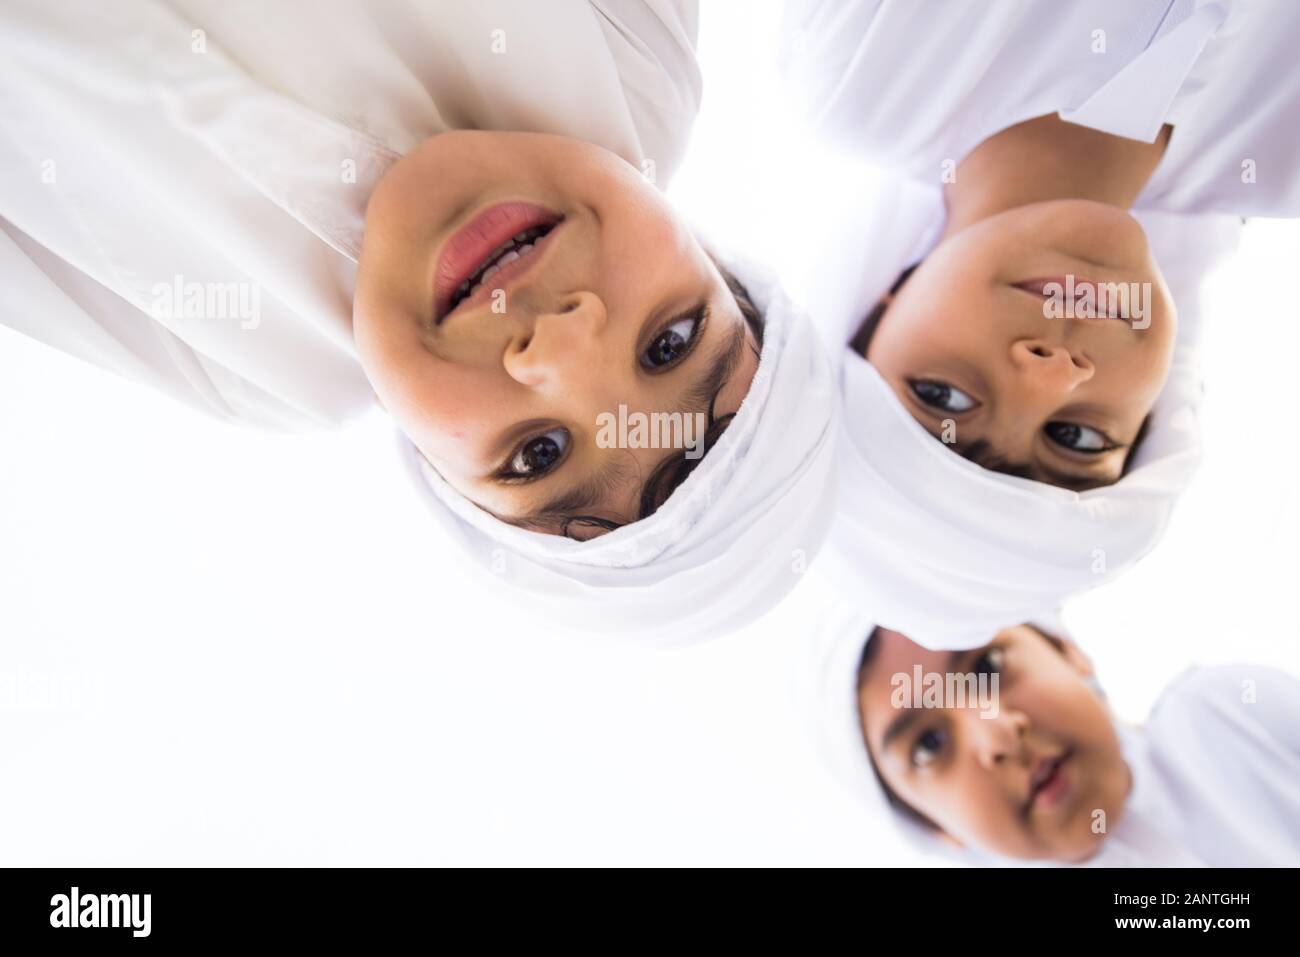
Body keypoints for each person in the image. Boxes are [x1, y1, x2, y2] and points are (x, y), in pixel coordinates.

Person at [0, 0, 837, 641]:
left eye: (536, 453)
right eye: (672, 342)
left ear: (441, 479)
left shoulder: (247, 364)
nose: (557, 344)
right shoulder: (635, 60)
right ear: (717, 261)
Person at [780, 0, 1298, 646]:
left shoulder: (863, 65)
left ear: (877, 306)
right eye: (1079, 439)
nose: (1054, 374)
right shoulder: (1283, 163)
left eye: (941, 397)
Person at [805, 603, 1300, 865]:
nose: (998, 736)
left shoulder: (1232, 716)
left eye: (987, 667)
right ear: (932, 827)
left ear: (1067, 650)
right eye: (929, 745)